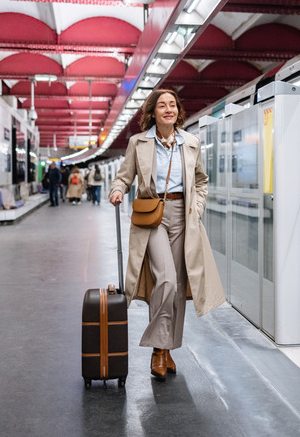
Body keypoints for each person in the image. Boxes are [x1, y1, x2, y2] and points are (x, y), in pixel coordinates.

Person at [109, 88, 225, 382]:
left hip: (184, 217)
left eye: (173, 104)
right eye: (162, 105)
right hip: (152, 217)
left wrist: (196, 209)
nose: (169, 109)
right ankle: (158, 348)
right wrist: (117, 189)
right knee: (166, 280)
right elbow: (125, 176)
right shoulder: (139, 143)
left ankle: (165, 349)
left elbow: (200, 181)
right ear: (153, 112)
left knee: (179, 286)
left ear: (178, 111)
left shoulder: (191, 143)